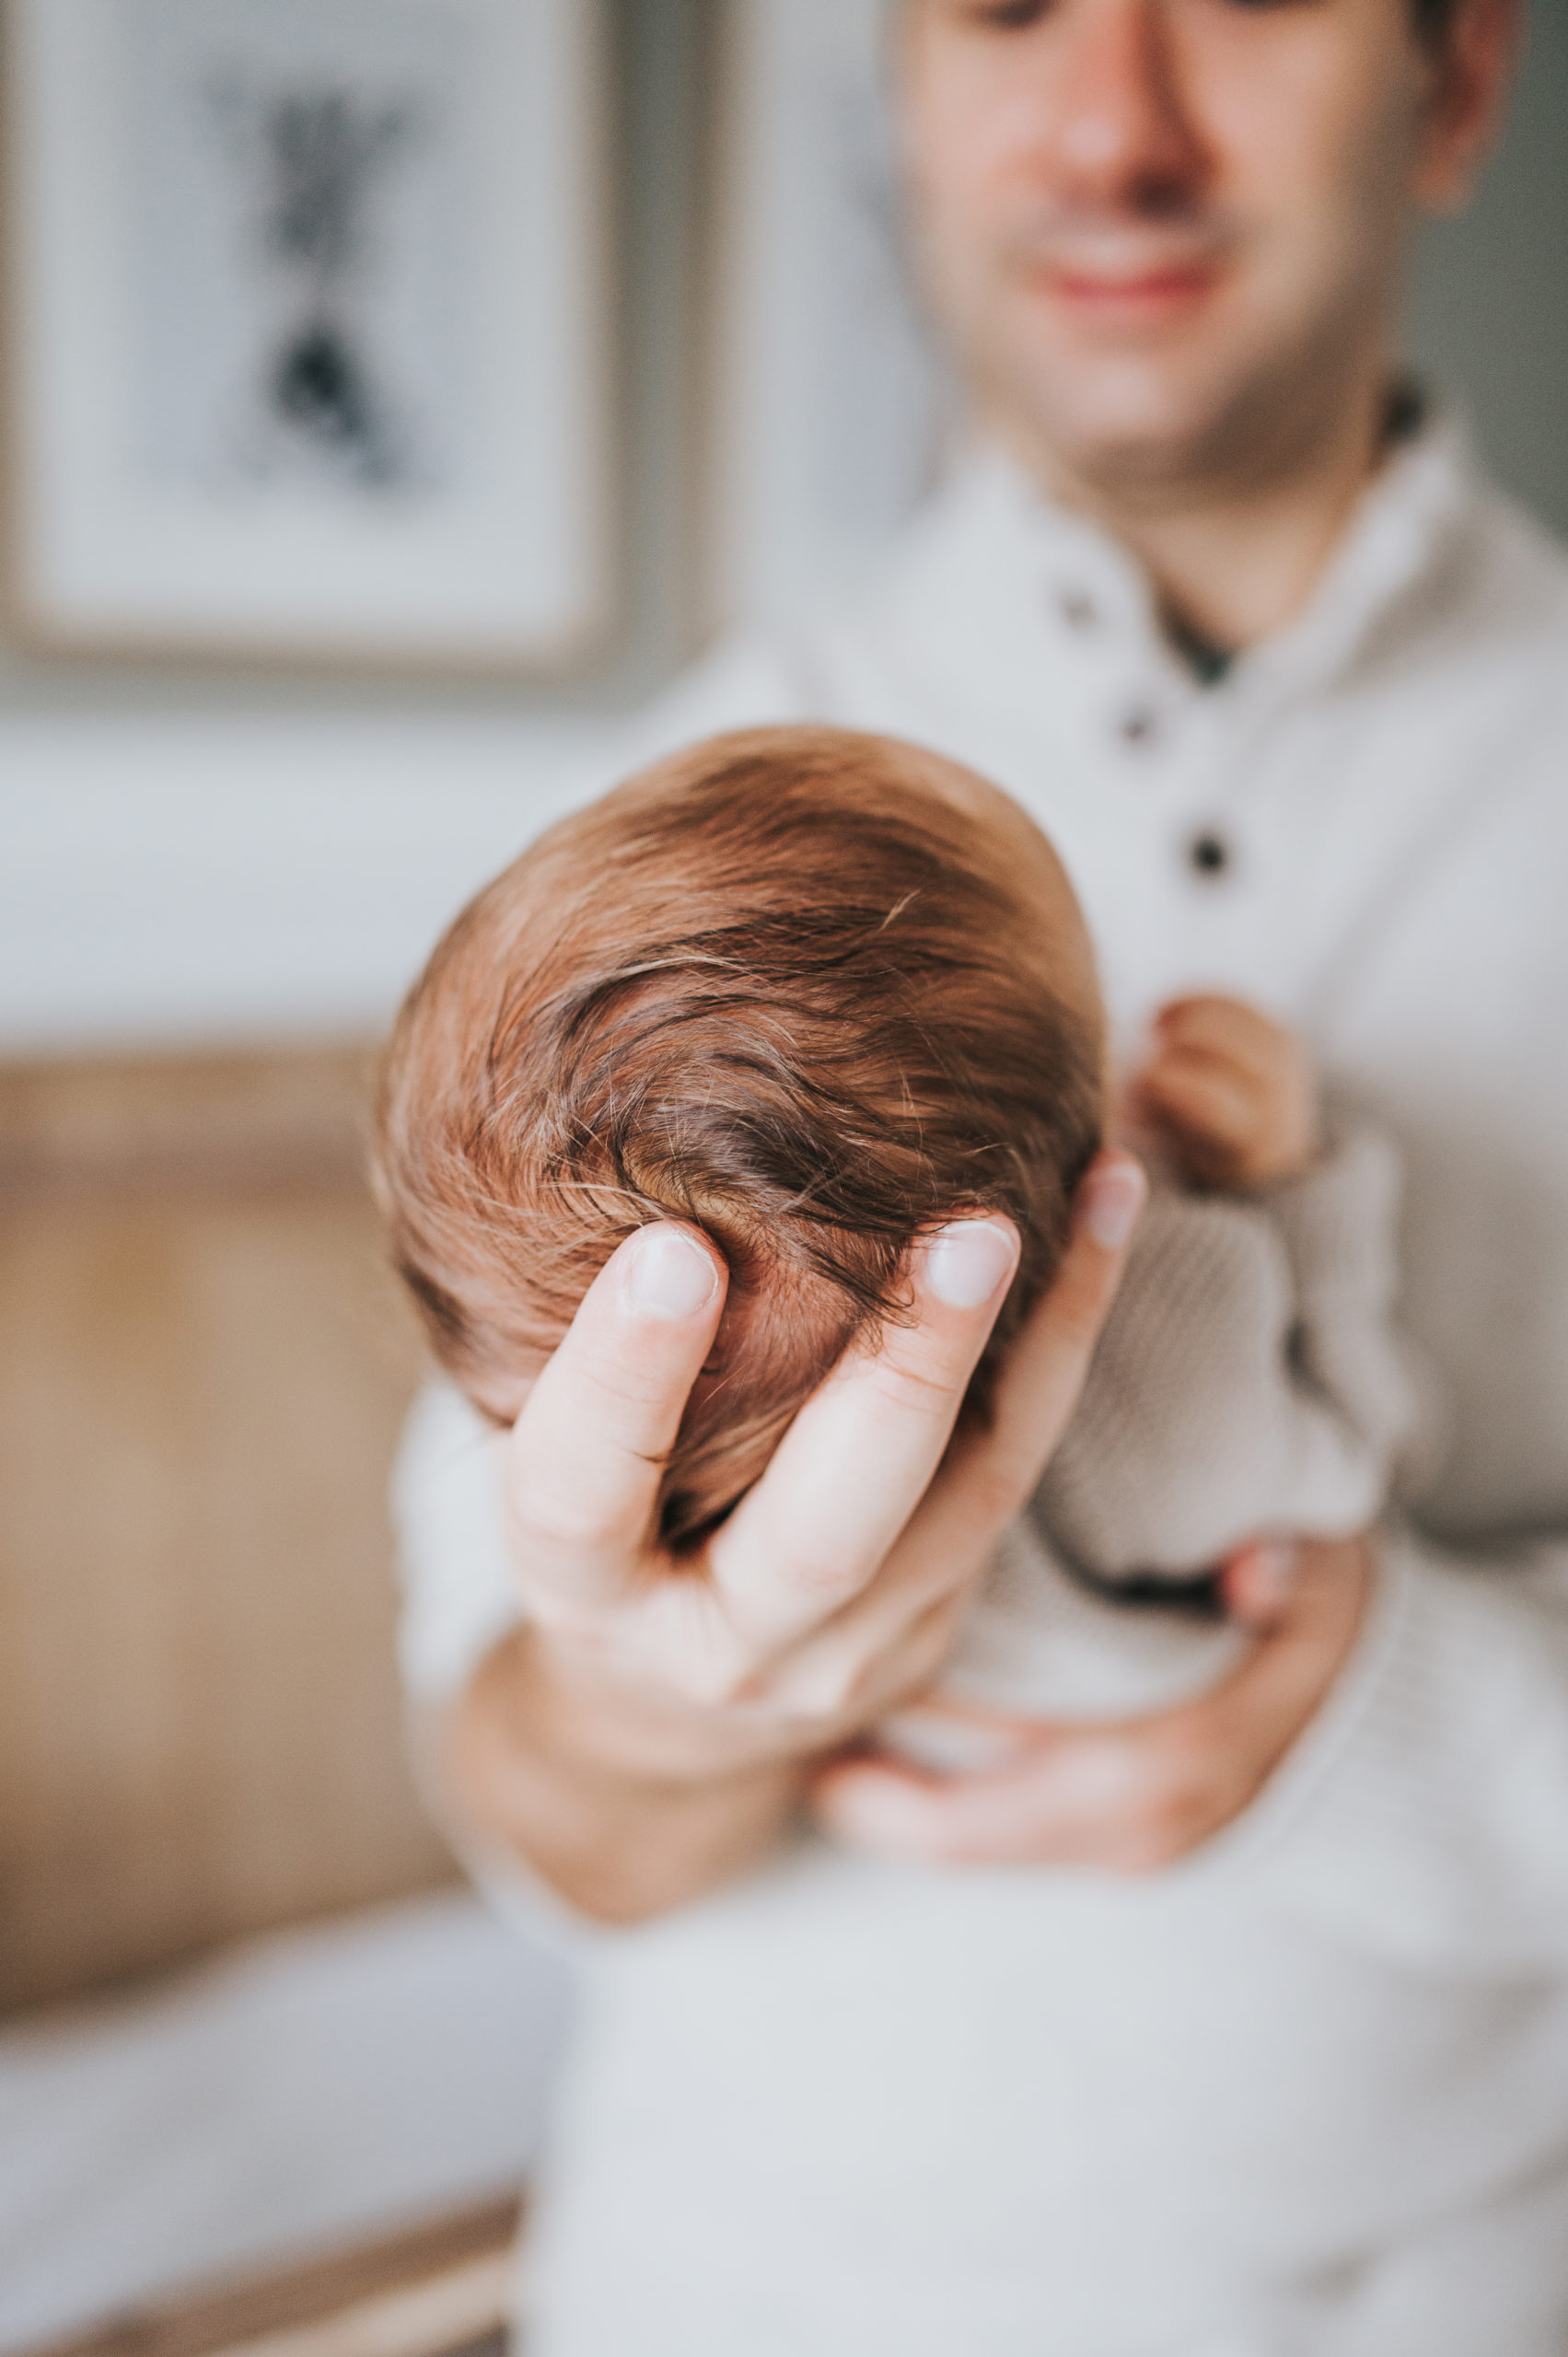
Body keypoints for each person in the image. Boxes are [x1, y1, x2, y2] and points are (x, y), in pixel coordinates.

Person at [391, 1, 1568, 2348]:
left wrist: (1385, 1711)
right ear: (909, 96)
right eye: (1007, 8)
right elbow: (516, 1796)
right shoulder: (669, 823)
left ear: (1451, 85)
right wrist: (650, 1707)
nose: (1111, 127)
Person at [379, 724, 1426, 1726]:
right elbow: (1358, 1451)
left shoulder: (584, 1444)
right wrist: (1290, 1185)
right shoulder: (1172, 1336)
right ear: (1095, 1129)